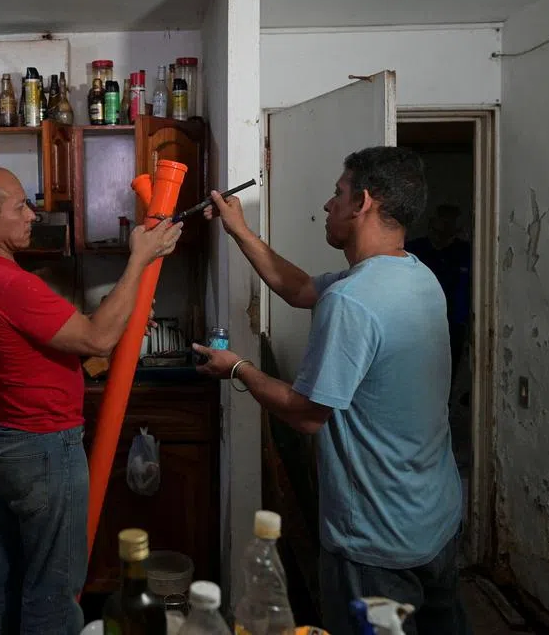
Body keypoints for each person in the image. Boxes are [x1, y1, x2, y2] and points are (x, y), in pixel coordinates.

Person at [193, 147, 467, 635]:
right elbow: (299, 290)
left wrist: (238, 368)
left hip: (376, 539)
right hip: (435, 520)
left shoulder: (352, 301)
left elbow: (306, 415)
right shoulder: (417, 274)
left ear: (363, 202)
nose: (328, 204)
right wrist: (238, 230)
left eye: (338, 193)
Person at [0, 166, 182, 635]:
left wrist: (119, 315)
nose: (31, 214)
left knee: (0, 577)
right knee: (53, 593)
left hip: (1, 442)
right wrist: (139, 259)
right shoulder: (12, 283)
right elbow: (97, 338)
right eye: (20, 206)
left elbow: (68, 340)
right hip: (40, 448)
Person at [406, 204, 472, 382]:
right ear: (431, 223)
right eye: (438, 227)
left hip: (453, 326)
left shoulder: (466, 253)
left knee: (447, 376)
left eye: (449, 228)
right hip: (417, 325)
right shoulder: (413, 250)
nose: (441, 234)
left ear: (457, 230)